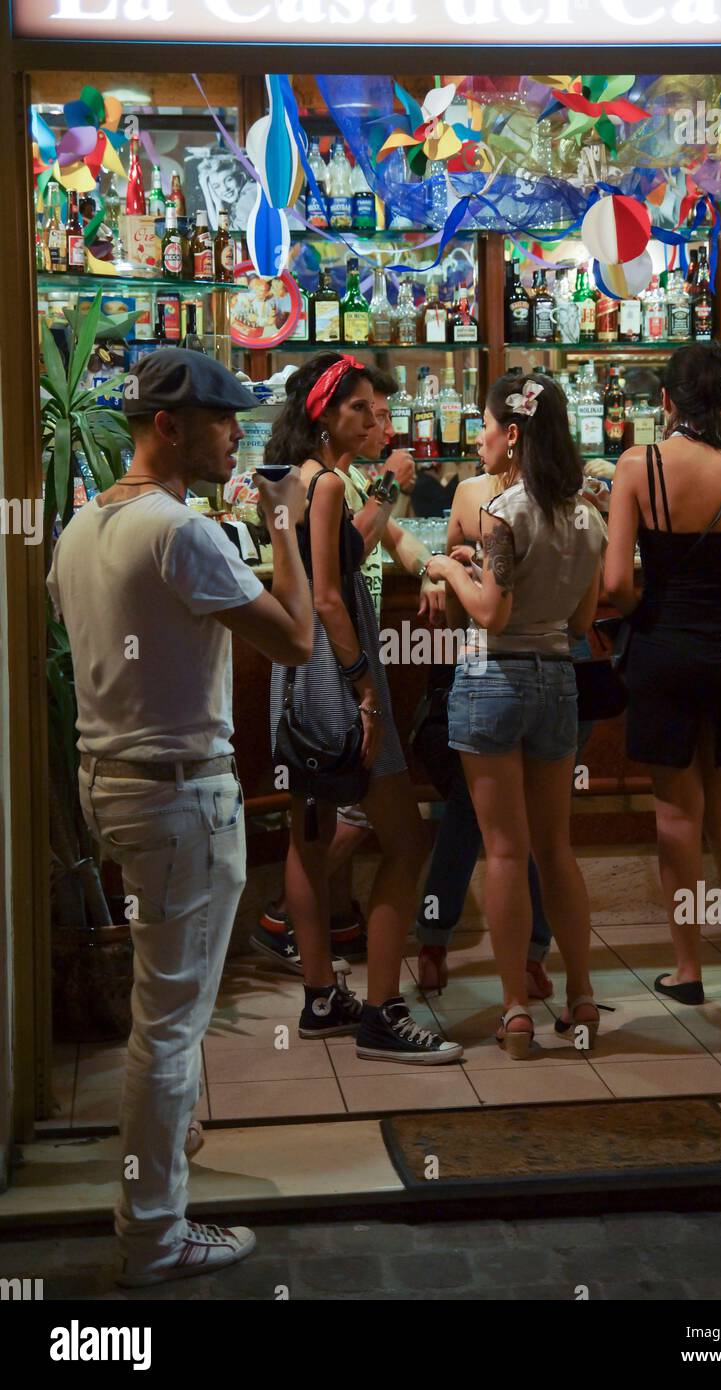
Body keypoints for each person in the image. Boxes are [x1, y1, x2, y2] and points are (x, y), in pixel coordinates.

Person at [46, 348, 314, 1287]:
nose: (238, 432)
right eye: (222, 417)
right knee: (166, 1026)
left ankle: (165, 1170)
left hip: (112, 784)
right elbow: (296, 636)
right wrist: (284, 527)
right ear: (169, 426)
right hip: (175, 795)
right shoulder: (178, 530)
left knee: (163, 1013)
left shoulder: (84, 526)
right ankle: (153, 1235)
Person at [266, 352, 462, 1064]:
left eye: (377, 408)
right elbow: (329, 591)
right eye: (359, 409)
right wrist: (363, 684)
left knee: (310, 842)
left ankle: (322, 999)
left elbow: (329, 566)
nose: (373, 419)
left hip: (293, 677)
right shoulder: (324, 485)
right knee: (407, 844)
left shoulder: (288, 480)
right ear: (324, 412)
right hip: (336, 675)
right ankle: (383, 1011)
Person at [425, 373, 605, 1057]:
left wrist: (447, 566)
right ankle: (582, 996)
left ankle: (515, 1011)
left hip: (492, 677)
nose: (480, 436)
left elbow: (491, 613)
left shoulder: (502, 509)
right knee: (556, 848)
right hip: (559, 679)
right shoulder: (588, 513)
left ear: (515, 434)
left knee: (502, 849)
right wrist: (487, 572)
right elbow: (584, 618)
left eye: (488, 424)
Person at [605, 342, 721, 1006]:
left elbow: (618, 581)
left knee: (679, 818)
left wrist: (645, 612)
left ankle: (687, 968)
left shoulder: (638, 465)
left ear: (667, 402)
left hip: (667, 648)